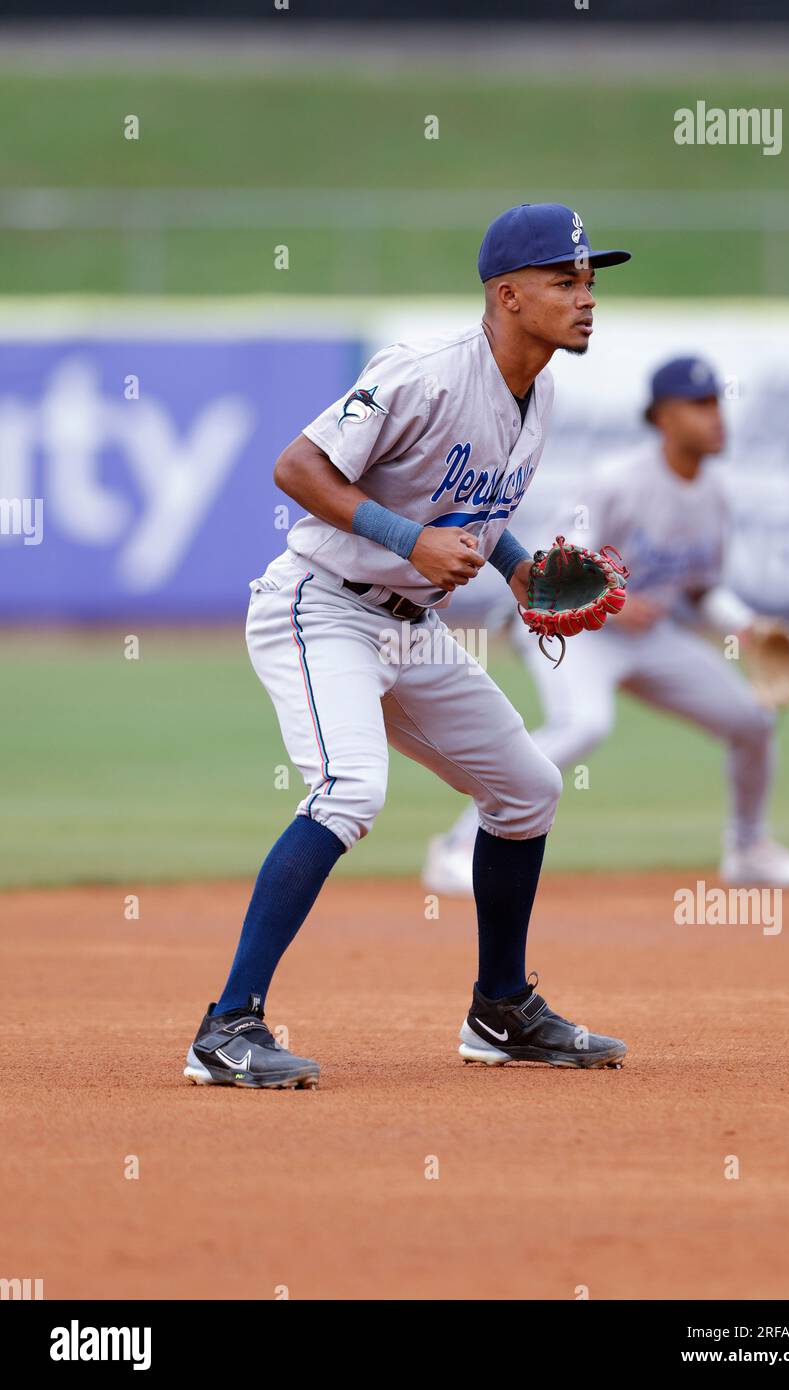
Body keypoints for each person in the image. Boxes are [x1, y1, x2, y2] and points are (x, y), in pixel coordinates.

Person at [183, 203, 632, 1089]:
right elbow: (297, 468)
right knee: (350, 789)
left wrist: (515, 569)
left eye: (589, 280)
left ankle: (501, 1010)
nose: (586, 297)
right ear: (507, 295)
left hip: (410, 627)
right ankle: (227, 1027)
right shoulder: (424, 374)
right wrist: (408, 540)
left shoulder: (538, 392)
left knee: (527, 788)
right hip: (322, 606)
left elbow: (472, 513)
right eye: (564, 280)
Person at [423, 355, 789, 896]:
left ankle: (749, 849)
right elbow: (558, 559)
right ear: (662, 416)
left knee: (753, 721)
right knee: (584, 725)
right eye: (700, 405)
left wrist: (746, 625)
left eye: (716, 404)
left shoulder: (712, 496)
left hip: (645, 639)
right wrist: (612, 594)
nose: (715, 418)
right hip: (576, 630)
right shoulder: (618, 481)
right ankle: (456, 846)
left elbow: (702, 588)